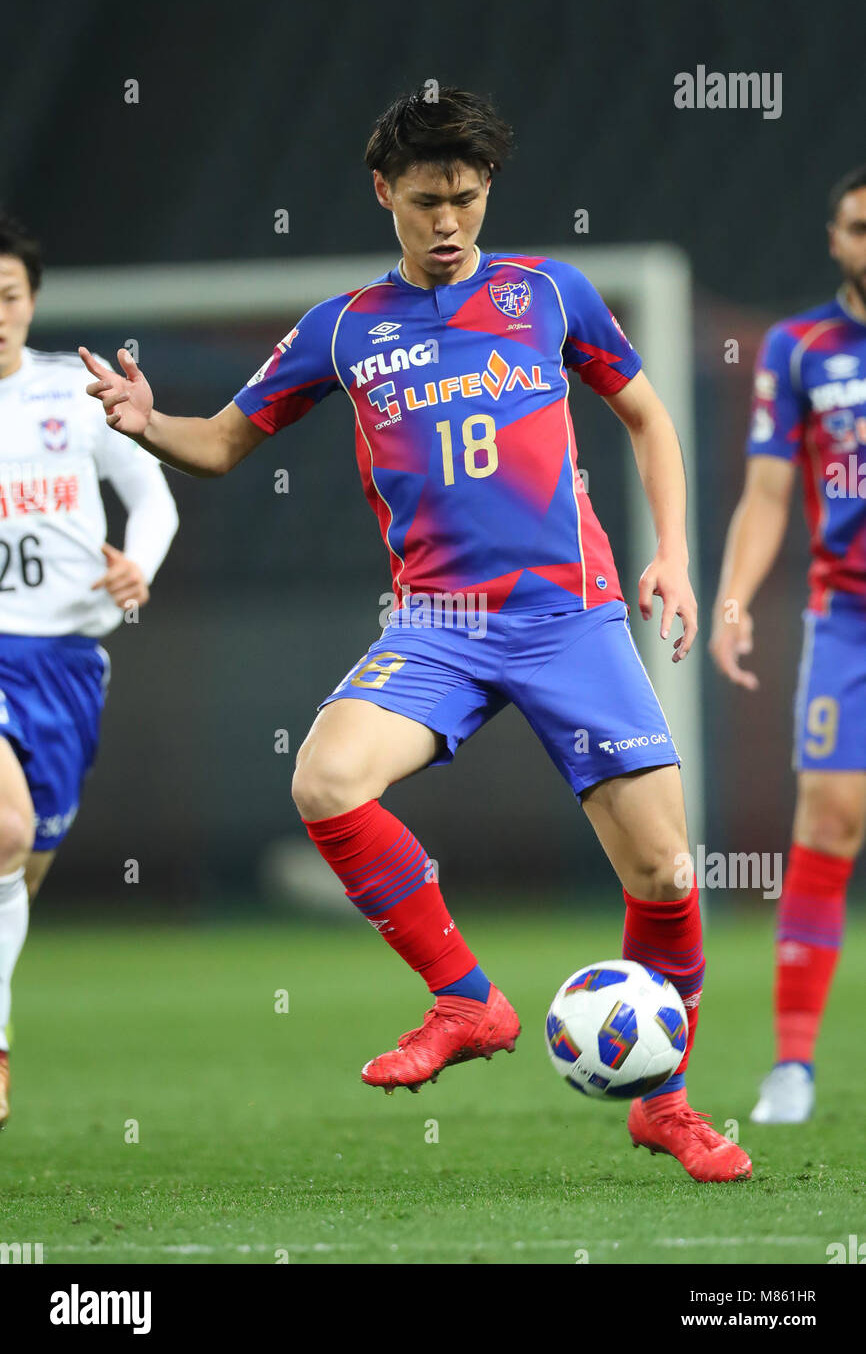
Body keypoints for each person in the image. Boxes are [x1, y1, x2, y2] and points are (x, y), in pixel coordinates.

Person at [82, 87, 750, 1182]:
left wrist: (672, 552)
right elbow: (218, 444)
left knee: (668, 870)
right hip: (436, 624)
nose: (449, 222)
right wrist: (148, 421)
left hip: (566, 616)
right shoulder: (343, 327)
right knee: (326, 780)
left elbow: (644, 413)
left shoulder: (549, 293)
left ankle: (663, 1104)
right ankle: (466, 998)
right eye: (428, 200)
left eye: (468, 199)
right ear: (383, 192)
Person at [0, 213, 179, 1128]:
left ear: (31, 302)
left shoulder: (71, 394)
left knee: (22, 868)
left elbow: (152, 497)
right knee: (4, 828)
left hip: (65, 659)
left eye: (9, 296)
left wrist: (136, 567)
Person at [710, 164, 866, 1123]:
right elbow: (768, 492)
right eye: (859, 225)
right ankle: (794, 1067)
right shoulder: (798, 346)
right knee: (828, 820)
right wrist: (732, 600)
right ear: (834, 236)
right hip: (844, 618)